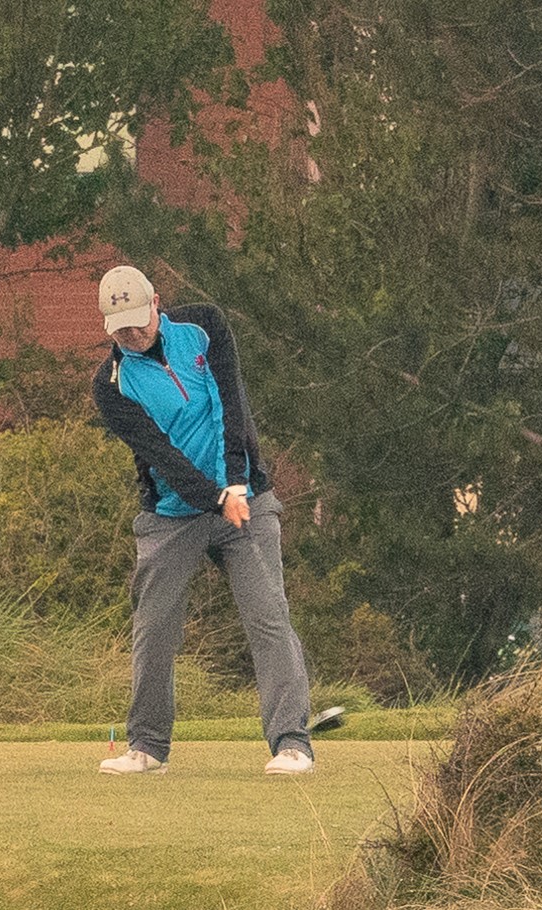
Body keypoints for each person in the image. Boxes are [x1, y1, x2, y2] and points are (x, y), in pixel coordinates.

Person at [88, 265, 317, 776]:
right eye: (120, 327)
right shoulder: (111, 385)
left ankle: (292, 743)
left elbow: (230, 408)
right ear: (107, 327)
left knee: (268, 617)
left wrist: (235, 484)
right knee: (155, 628)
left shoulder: (204, 327)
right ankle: (147, 747)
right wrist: (213, 498)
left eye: (138, 320)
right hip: (173, 515)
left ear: (157, 304)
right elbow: (160, 455)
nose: (132, 333)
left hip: (245, 498)